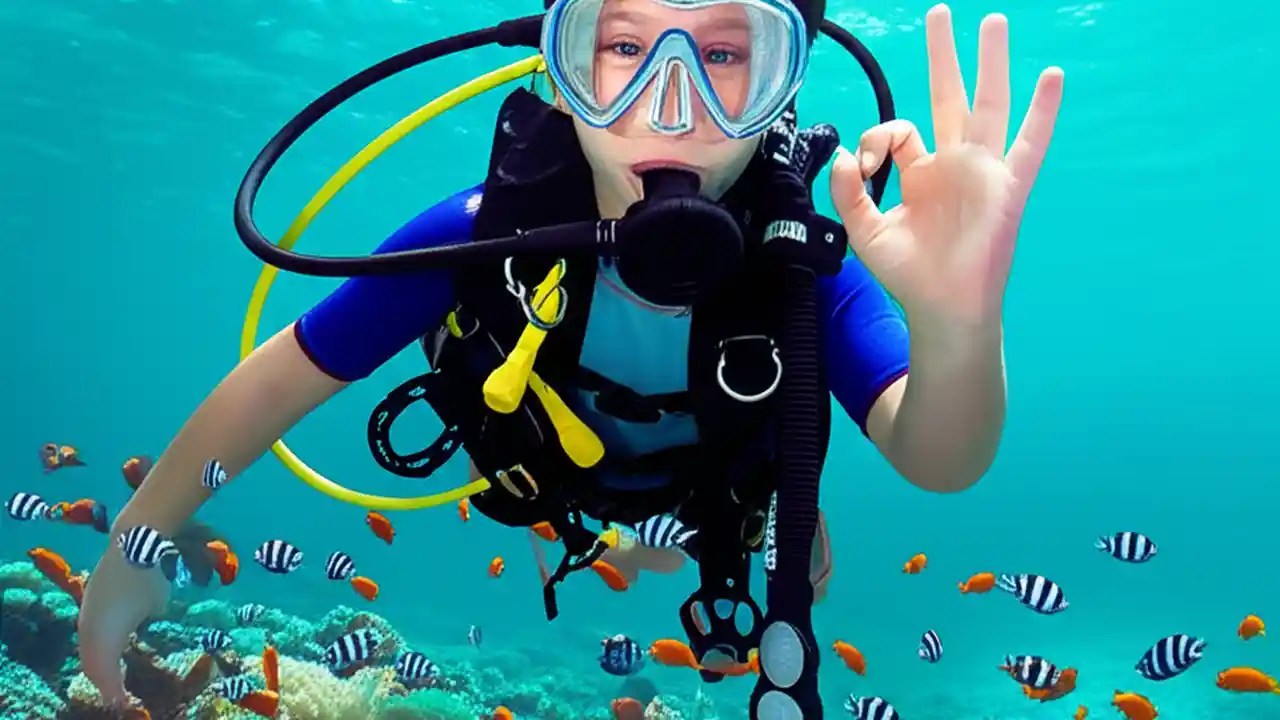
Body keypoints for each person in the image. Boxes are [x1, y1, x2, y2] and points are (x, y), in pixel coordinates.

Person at [78, 0, 1063, 714]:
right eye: (622, 46)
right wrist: (135, 546)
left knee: (756, 530)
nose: (665, 106)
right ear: (558, 66)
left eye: (725, 55)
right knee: (569, 513)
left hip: (714, 489)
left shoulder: (800, 261)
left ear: (782, 86)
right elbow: (279, 379)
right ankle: (605, 536)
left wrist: (956, 323)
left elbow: (939, 458)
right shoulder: (476, 236)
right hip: (537, 468)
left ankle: (730, 521)